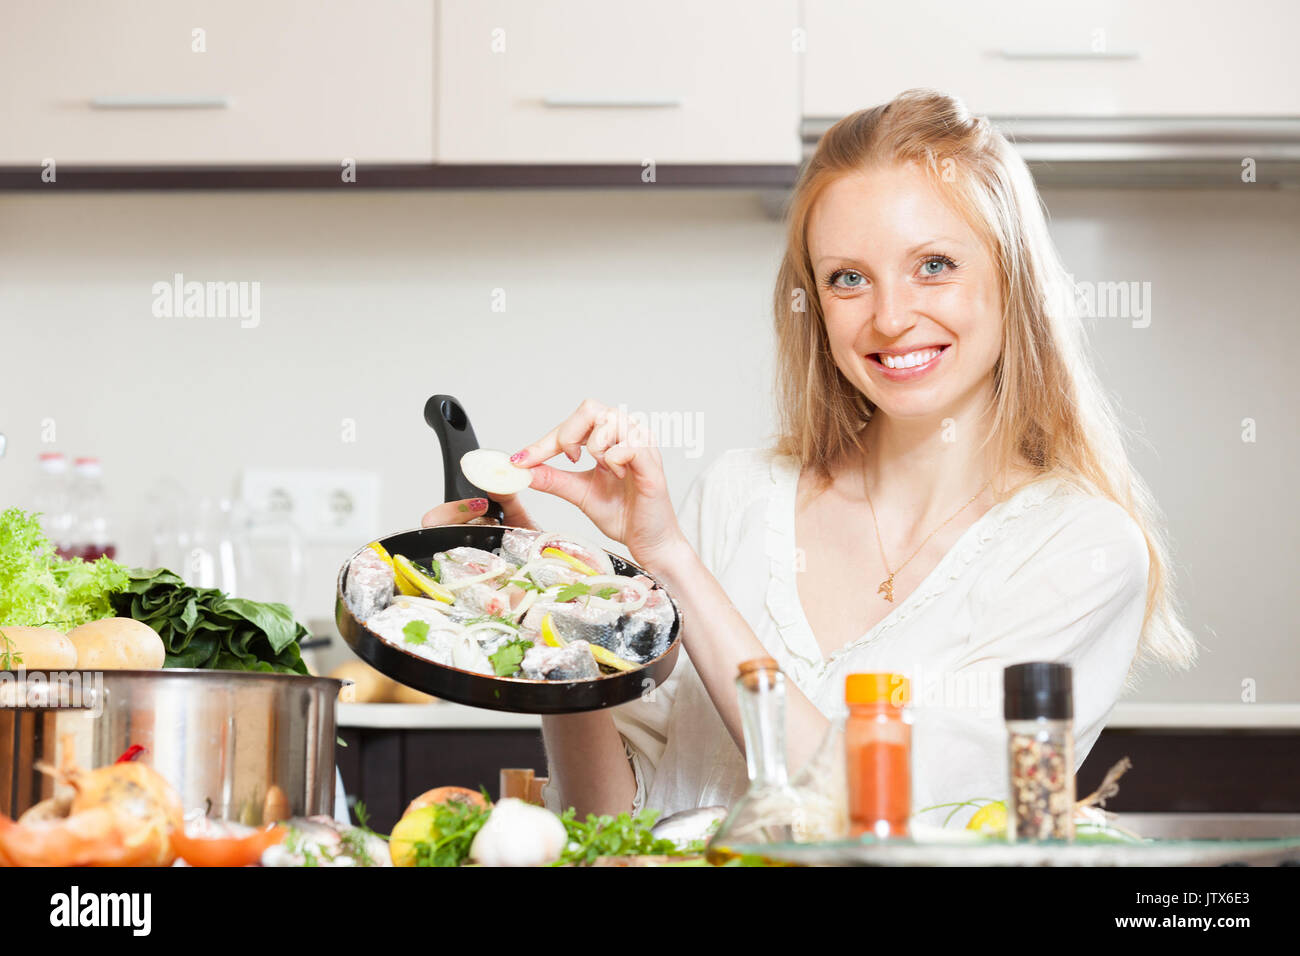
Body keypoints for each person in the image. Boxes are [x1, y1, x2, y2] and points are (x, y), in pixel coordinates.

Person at [420, 89, 1198, 826]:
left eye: (934, 265)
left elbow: (866, 809)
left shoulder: (1081, 552)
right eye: (848, 279)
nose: (891, 317)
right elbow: (615, 824)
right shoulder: (736, 498)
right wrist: (554, 617)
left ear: (1012, 280)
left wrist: (666, 559)